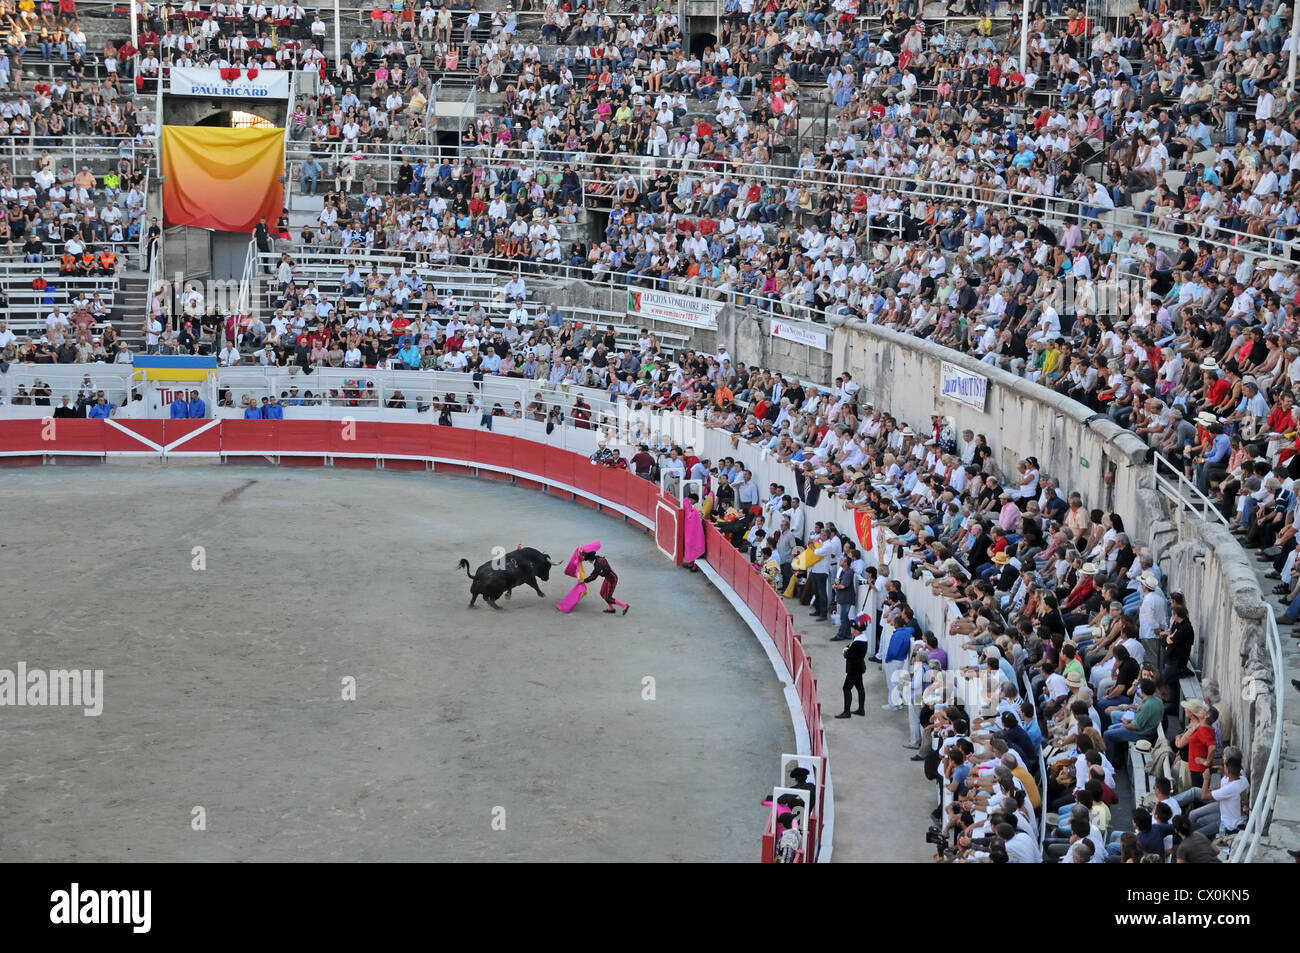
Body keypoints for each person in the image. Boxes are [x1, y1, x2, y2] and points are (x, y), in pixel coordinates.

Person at [836, 620, 870, 718]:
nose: (851, 629)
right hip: (858, 667)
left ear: (856, 630)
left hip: (854, 668)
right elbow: (850, 647)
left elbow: (848, 654)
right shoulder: (860, 640)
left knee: (846, 688)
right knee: (860, 688)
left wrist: (845, 651)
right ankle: (861, 709)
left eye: (852, 628)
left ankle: (847, 712)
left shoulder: (857, 642)